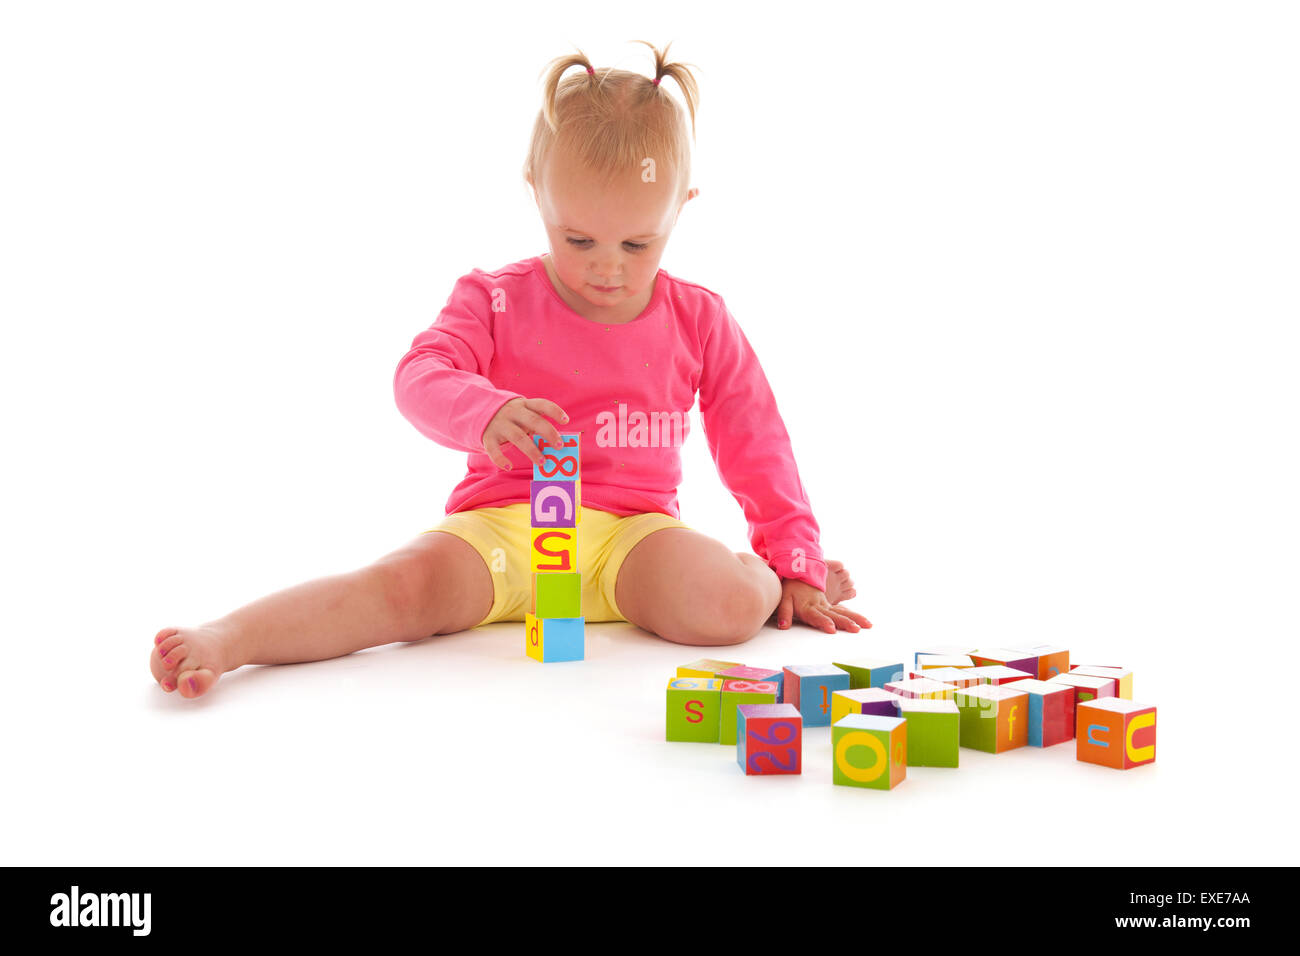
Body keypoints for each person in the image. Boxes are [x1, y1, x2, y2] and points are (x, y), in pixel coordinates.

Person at [149, 41, 870, 700]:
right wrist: (483, 410)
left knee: (727, 606)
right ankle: (232, 637)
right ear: (535, 189)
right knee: (398, 591)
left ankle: (780, 580)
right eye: (578, 237)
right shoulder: (494, 299)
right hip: (503, 527)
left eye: (638, 243)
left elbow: (756, 437)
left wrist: (797, 558)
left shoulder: (699, 318)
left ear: (681, 206)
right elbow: (418, 373)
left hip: (634, 540)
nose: (607, 268)